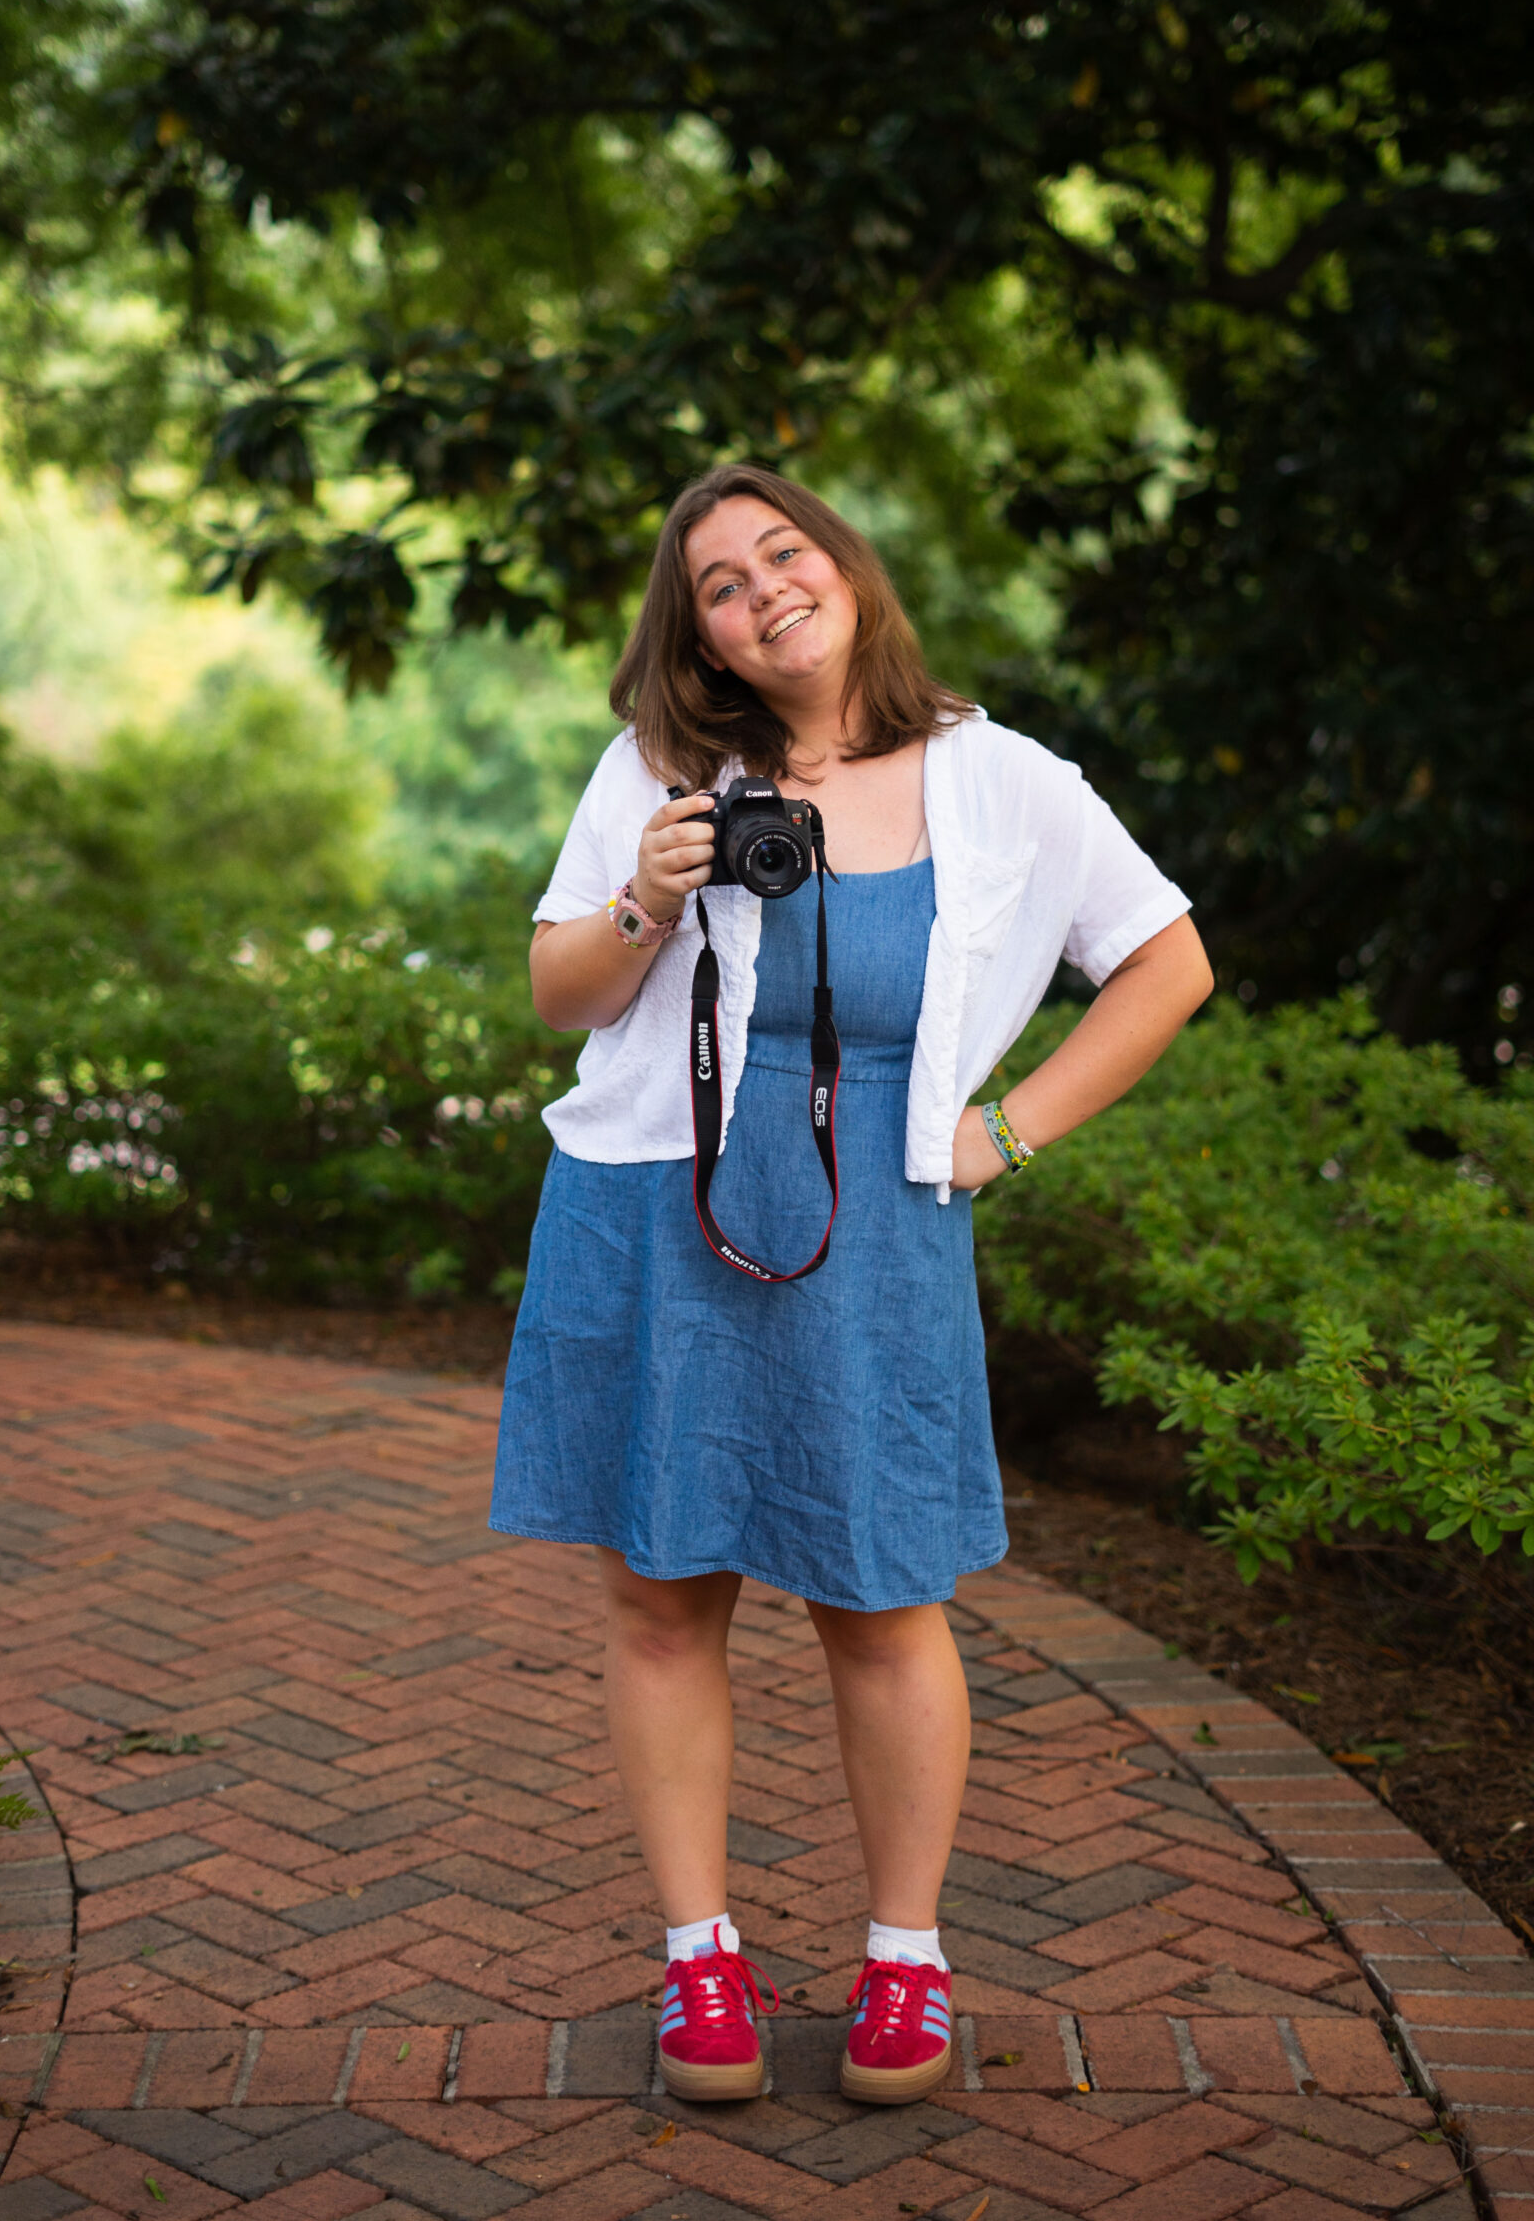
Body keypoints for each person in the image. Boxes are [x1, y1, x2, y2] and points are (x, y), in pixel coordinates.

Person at [490, 463, 1212, 2105]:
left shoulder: (1004, 779)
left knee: (883, 1598)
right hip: (654, 1200)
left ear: (845, 565)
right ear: (705, 639)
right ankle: (701, 1960)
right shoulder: (660, 766)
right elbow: (559, 992)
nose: (763, 592)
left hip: (874, 1225)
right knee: (661, 1595)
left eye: (782, 553)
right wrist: (647, 893)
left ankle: (906, 1960)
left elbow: (1168, 961)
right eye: (721, 586)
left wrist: (1004, 1133)